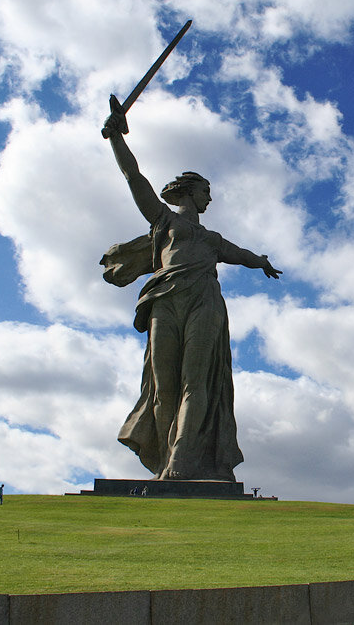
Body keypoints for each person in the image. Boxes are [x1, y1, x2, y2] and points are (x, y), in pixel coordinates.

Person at [102, 109, 282, 481]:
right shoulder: (164, 220)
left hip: (204, 301)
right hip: (165, 299)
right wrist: (116, 138)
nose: (209, 201)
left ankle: (182, 461)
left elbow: (240, 254)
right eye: (205, 193)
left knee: (194, 382)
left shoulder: (212, 240)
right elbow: (133, 177)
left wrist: (260, 260)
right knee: (164, 388)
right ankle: (166, 456)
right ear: (188, 192)